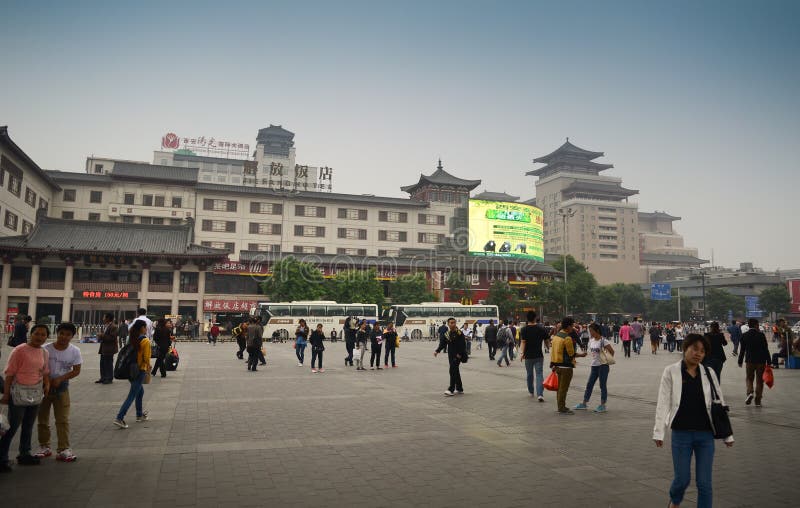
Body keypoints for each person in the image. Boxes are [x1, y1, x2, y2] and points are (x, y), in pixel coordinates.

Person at [653, 333, 734, 508]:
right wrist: (659, 431)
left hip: (705, 435)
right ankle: (675, 501)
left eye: (702, 351)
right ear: (685, 348)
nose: (698, 354)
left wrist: (728, 435)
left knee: (705, 483)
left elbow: (720, 402)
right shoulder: (671, 371)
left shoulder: (709, 372)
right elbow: (663, 402)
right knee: (682, 479)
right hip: (681, 434)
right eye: (694, 349)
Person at [1, 324, 51, 472]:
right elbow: (9, 373)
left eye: (43, 335)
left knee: (28, 426)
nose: (40, 337)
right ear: (31, 334)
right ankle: (2, 457)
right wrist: (6, 394)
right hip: (18, 393)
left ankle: (24, 453)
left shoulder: (44, 352)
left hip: (35, 393)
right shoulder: (19, 350)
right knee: (12, 427)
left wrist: (47, 384)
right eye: (37, 334)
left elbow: (45, 371)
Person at [34, 322, 82, 462]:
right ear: (57, 333)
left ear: (72, 336)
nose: (64, 337)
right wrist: (47, 381)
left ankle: (63, 449)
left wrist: (61, 378)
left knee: (62, 420)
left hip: (62, 388)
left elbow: (76, 370)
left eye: (68, 335)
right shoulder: (45, 349)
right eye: (61, 333)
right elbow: (39, 367)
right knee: (42, 419)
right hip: (43, 388)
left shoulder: (75, 351)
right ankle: (44, 446)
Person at [114, 320, 151, 428]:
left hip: (130, 369)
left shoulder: (131, 338)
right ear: (142, 328)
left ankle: (139, 415)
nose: (146, 329)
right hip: (140, 370)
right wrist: (149, 367)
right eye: (145, 327)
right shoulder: (145, 341)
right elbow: (146, 358)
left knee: (140, 392)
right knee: (132, 394)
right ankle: (119, 417)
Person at [574, 323, 614, 413]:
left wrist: (606, 360)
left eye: (591, 331)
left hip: (603, 366)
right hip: (594, 366)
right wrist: (582, 354)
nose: (590, 333)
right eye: (589, 331)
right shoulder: (591, 341)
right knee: (589, 384)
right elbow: (592, 353)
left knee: (602, 385)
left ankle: (603, 405)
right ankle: (584, 403)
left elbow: (612, 351)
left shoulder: (604, 341)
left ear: (597, 331)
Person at [549, 317, 586, 414]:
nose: (573, 328)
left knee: (559, 388)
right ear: (569, 326)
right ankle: (562, 408)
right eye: (572, 326)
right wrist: (582, 355)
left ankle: (560, 406)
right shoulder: (567, 338)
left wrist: (553, 364)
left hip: (557, 366)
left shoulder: (556, 336)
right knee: (563, 388)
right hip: (566, 367)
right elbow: (571, 354)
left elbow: (553, 351)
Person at [737, 318, 770, 407]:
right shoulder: (761, 335)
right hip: (761, 361)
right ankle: (758, 401)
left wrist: (740, 361)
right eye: (758, 324)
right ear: (755, 325)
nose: (758, 326)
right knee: (759, 380)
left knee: (749, 378)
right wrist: (769, 361)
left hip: (750, 361)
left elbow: (742, 350)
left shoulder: (744, 336)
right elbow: (765, 349)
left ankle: (750, 392)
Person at [519, 311, 550, 402]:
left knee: (529, 374)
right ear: (535, 318)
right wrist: (548, 348)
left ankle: (531, 391)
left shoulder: (524, 329)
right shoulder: (541, 329)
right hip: (538, 356)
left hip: (528, 356)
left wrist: (522, 354)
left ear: (527, 318)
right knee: (539, 374)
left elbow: (523, 342)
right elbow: (546, 340)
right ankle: (540, 394)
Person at [434, 317, 467, 396]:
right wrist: (437, 351)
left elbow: (463, 345)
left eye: (454, 323)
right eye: (451, 323)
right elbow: (443, 344)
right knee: (456, 371)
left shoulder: (459, 333)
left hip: (458, 355)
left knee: (452, 371)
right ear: (448, 324)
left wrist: (459, 354)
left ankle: (451, 389)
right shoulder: (447, 334)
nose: (453, 324)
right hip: (451, 355)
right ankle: (459, 388)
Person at [96, 313, 118, 384]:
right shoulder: (106, 326)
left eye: (104, 317)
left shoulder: (113, 327)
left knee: (108, 363)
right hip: (104, 348)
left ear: (108, 318)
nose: (103, 319)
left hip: (109, 348)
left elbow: (112, 337)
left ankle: (109, 378)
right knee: (102, 363)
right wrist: (100, 337)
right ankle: (103, 377)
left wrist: (101, 335)